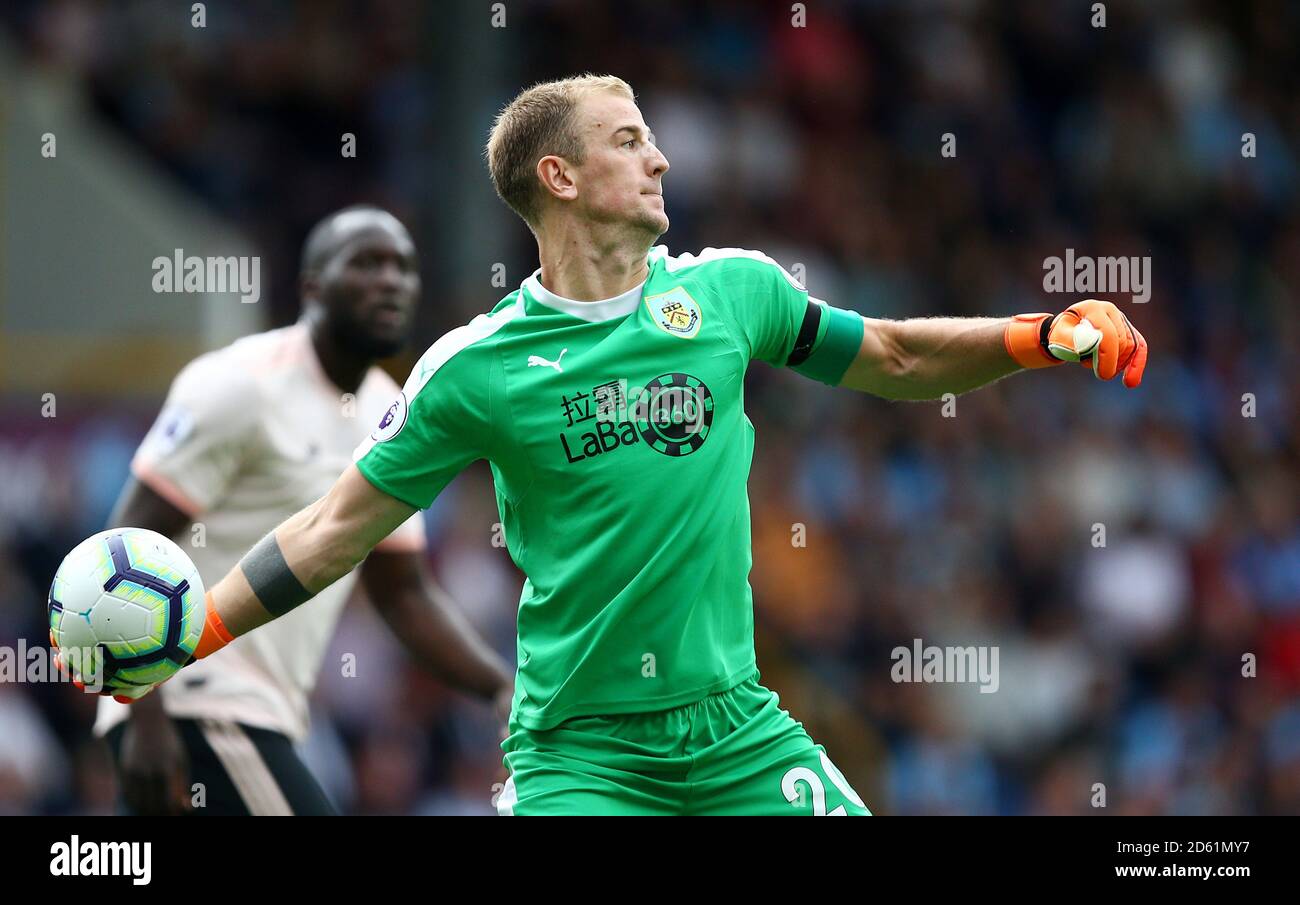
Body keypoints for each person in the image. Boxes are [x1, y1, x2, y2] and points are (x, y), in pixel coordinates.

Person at [110, 75, 1147, 815]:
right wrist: (188, 636)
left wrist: (1041, 334)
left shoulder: (731, 290)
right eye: (627, 139)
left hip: (737, 730)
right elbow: (334, 529)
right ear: (557, 175)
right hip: (580, 760)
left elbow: (894, 356)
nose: (658, 156)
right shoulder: (475, 368)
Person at [95, 206, 513, 815]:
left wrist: (499, 686)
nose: (391, 280)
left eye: (403, 266)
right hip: (194, 700)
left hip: (264, 715)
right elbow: (124, 549)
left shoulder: (389, 411)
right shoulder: (240, 385)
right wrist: (143, 712)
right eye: (367, 263)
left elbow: (404, 594)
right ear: (313, 285)